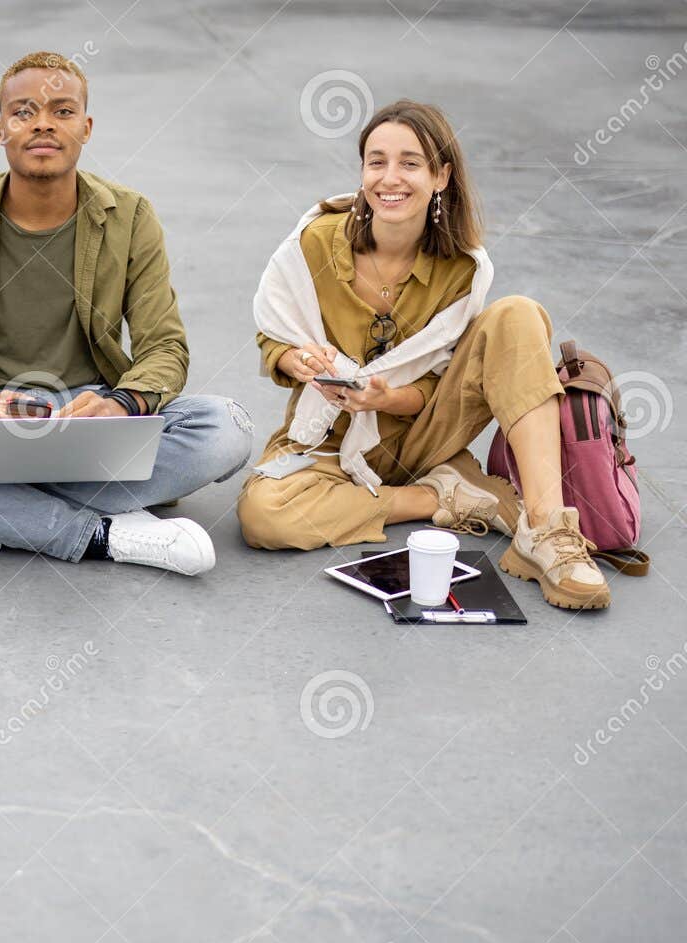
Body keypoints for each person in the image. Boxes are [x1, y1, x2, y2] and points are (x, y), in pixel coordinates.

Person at [0, 51, 253, 572]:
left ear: (86, 127)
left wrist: (121, 406)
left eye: (62, 110)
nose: (42, 124)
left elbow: (164, 347)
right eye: (23, 111)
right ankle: (104, 534)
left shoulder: (130, 216)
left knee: (227, 426)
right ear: (0, 129)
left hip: (90, 414)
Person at [237, 99, 610, 610]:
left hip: (423, 435)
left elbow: (443, 383)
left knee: (518, 314)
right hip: (328, 437)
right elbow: (274, 334)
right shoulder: (315, 243)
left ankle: (546, 530)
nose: (390, 178)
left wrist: (386, 399)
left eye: (410, 163)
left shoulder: (461, 267)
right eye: (377, 161)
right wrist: (293, 360)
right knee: (262, 515)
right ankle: (442, 495)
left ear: (441, 176)